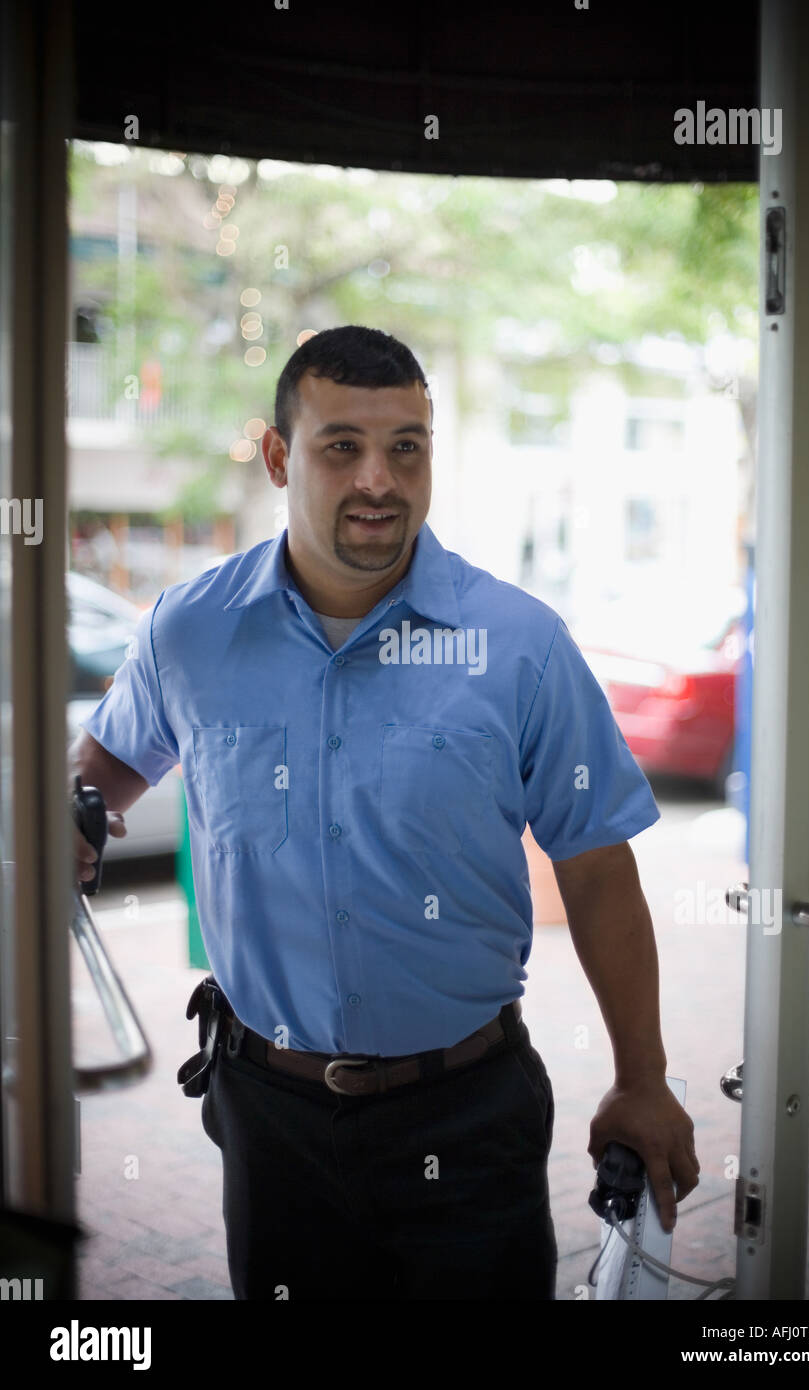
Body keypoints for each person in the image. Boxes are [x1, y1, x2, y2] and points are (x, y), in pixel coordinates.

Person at [69, 325, 699, 1301]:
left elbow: (596, 867)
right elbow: (99, 775)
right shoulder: (188, 630)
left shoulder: (519, 645)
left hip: (466, 1113)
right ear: (279, 456)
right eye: (341, 447)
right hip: (267, 1114)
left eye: (406, 445)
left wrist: (641, 1077)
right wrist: (69, 817)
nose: (379, 478)